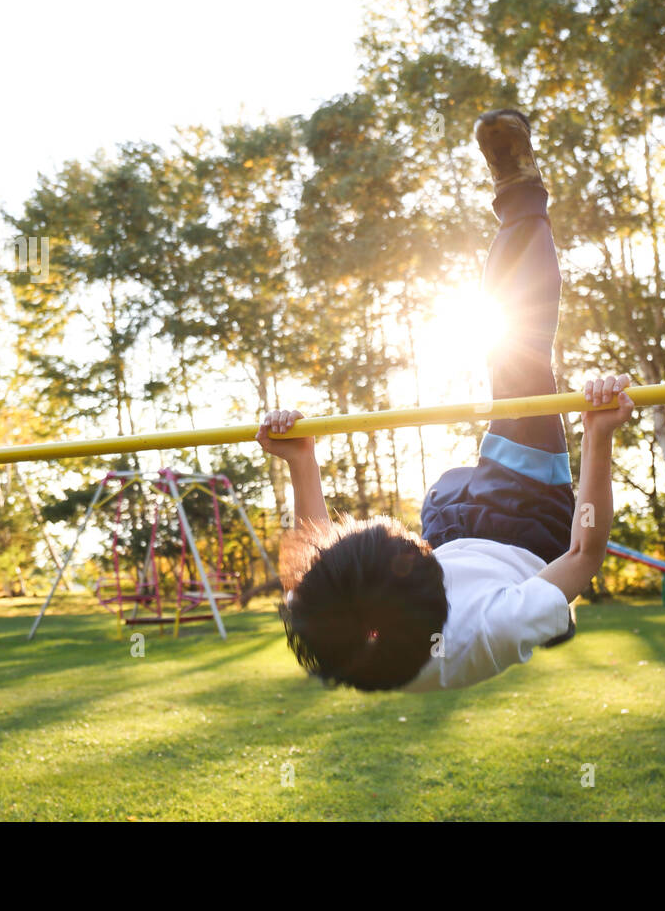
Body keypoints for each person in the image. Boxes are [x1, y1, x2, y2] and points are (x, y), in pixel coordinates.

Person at [258, 109, 634, 692]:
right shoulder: (490, 628)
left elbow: (317, 565)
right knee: (516, 352)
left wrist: (301, 459)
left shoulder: (348, 630)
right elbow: (584, 553)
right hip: (526, 522)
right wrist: (599, 433)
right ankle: (520, 190)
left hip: (449, 522)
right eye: (406, 552)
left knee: (504, 364)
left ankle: (481, 566)